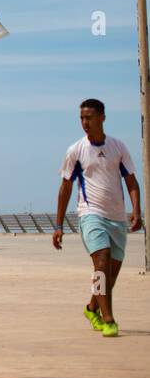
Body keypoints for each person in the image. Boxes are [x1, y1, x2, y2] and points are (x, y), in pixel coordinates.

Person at [54, 98, 141, 338]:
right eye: (82, 118)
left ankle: (92, 308)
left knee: (110, 275)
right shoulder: (76, 150)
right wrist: (59, 225)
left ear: (102, 117)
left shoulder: (118, 147)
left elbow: (131, 181)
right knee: (101, 264)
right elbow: (65, 188)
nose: (85, 123)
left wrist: (137, 210)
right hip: (90, 214)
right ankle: (109, 319)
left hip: (117, 219)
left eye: (89, 117)